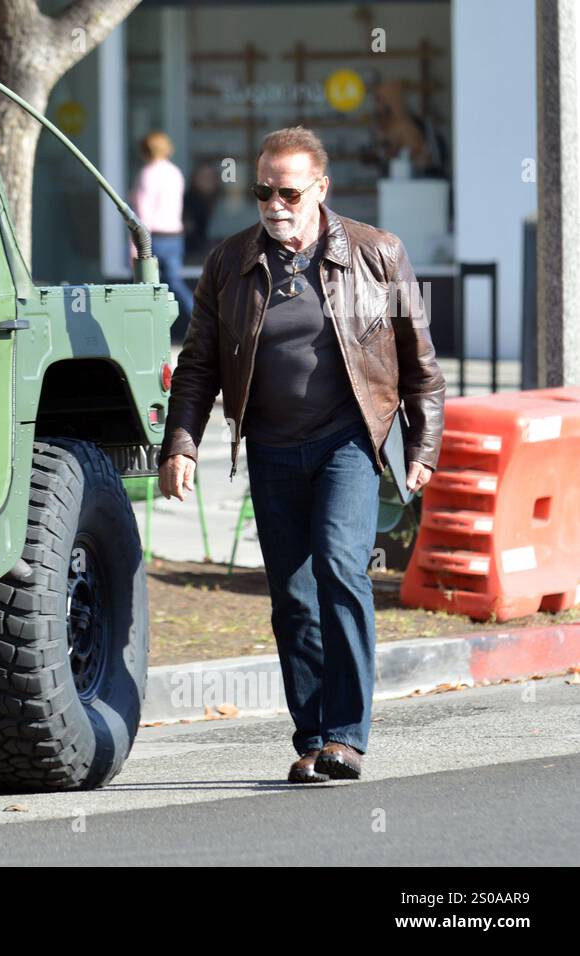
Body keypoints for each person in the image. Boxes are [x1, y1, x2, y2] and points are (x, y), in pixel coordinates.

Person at [156, 126, 446, 784]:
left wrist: (424, 444)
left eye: (288, 190)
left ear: (321, 189)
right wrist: (183, 443)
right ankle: (314, 735)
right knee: (290, 597)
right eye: (263, 190)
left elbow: (420, 363)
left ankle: (346, 735)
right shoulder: (229, 264)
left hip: (347, 440)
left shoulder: (381, 254)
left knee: (341, 572)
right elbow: (198, 365)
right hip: (272, 448)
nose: (274, 203)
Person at [130, 131, 192, 325]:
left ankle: (149, 326)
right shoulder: (174, 172)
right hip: (174, 235)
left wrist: (135, 245)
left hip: (154, 236)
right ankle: (199, 319)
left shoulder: (148, 174)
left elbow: (143, 213)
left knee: (147, 285)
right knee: (174, 281)